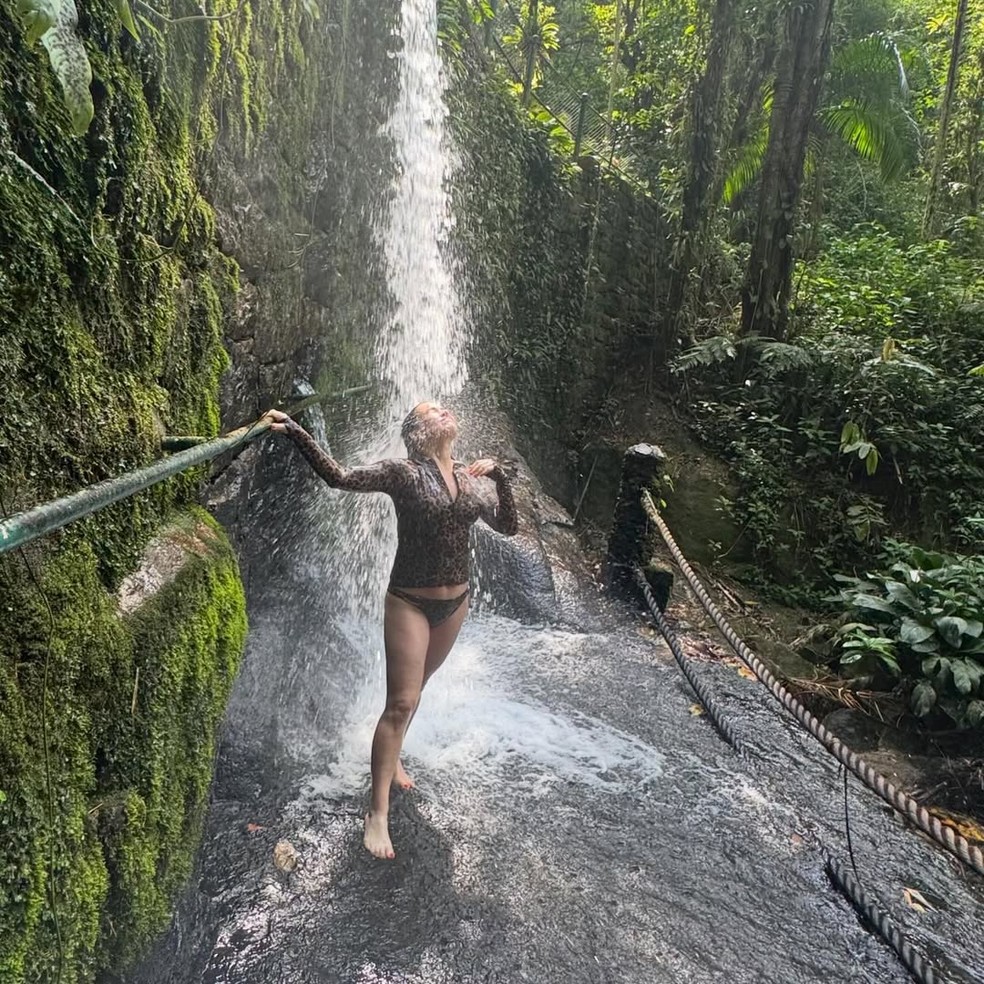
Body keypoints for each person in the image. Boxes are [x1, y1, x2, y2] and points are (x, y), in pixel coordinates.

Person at [264, 401, 518, 859]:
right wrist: (294, 431)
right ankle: (376, 813)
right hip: (410, 601)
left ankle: (393, 756)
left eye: (443, 407)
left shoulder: (472, 477)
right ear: (416, 433)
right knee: (400, 701)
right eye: (430, 411)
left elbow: (508, 527)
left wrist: (499, 476)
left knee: (415, 691)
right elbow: (339, 477)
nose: (443, 411)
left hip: (456, 603)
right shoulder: (404, 472)